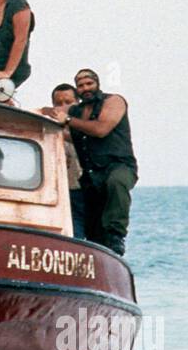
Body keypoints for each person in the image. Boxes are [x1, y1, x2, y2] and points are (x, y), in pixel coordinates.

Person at [52, 69, 138, 257]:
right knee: (93, 230)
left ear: (97, 83)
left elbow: (100, 129)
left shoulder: (114, 101)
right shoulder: (78, 112)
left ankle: (117, 235)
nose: (86, 88)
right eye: (81, 86)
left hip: (118, 165)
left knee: (116, 183)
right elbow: (70, 133)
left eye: (89, 84)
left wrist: (66, 119)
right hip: (91, 175)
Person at [46, 83, 88, 240]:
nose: (63, 107)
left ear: (77, 102)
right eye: (58, 103)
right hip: (63, 191)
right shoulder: (50, 127)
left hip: (86, 190)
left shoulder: (87, 126)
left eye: (68, 102)